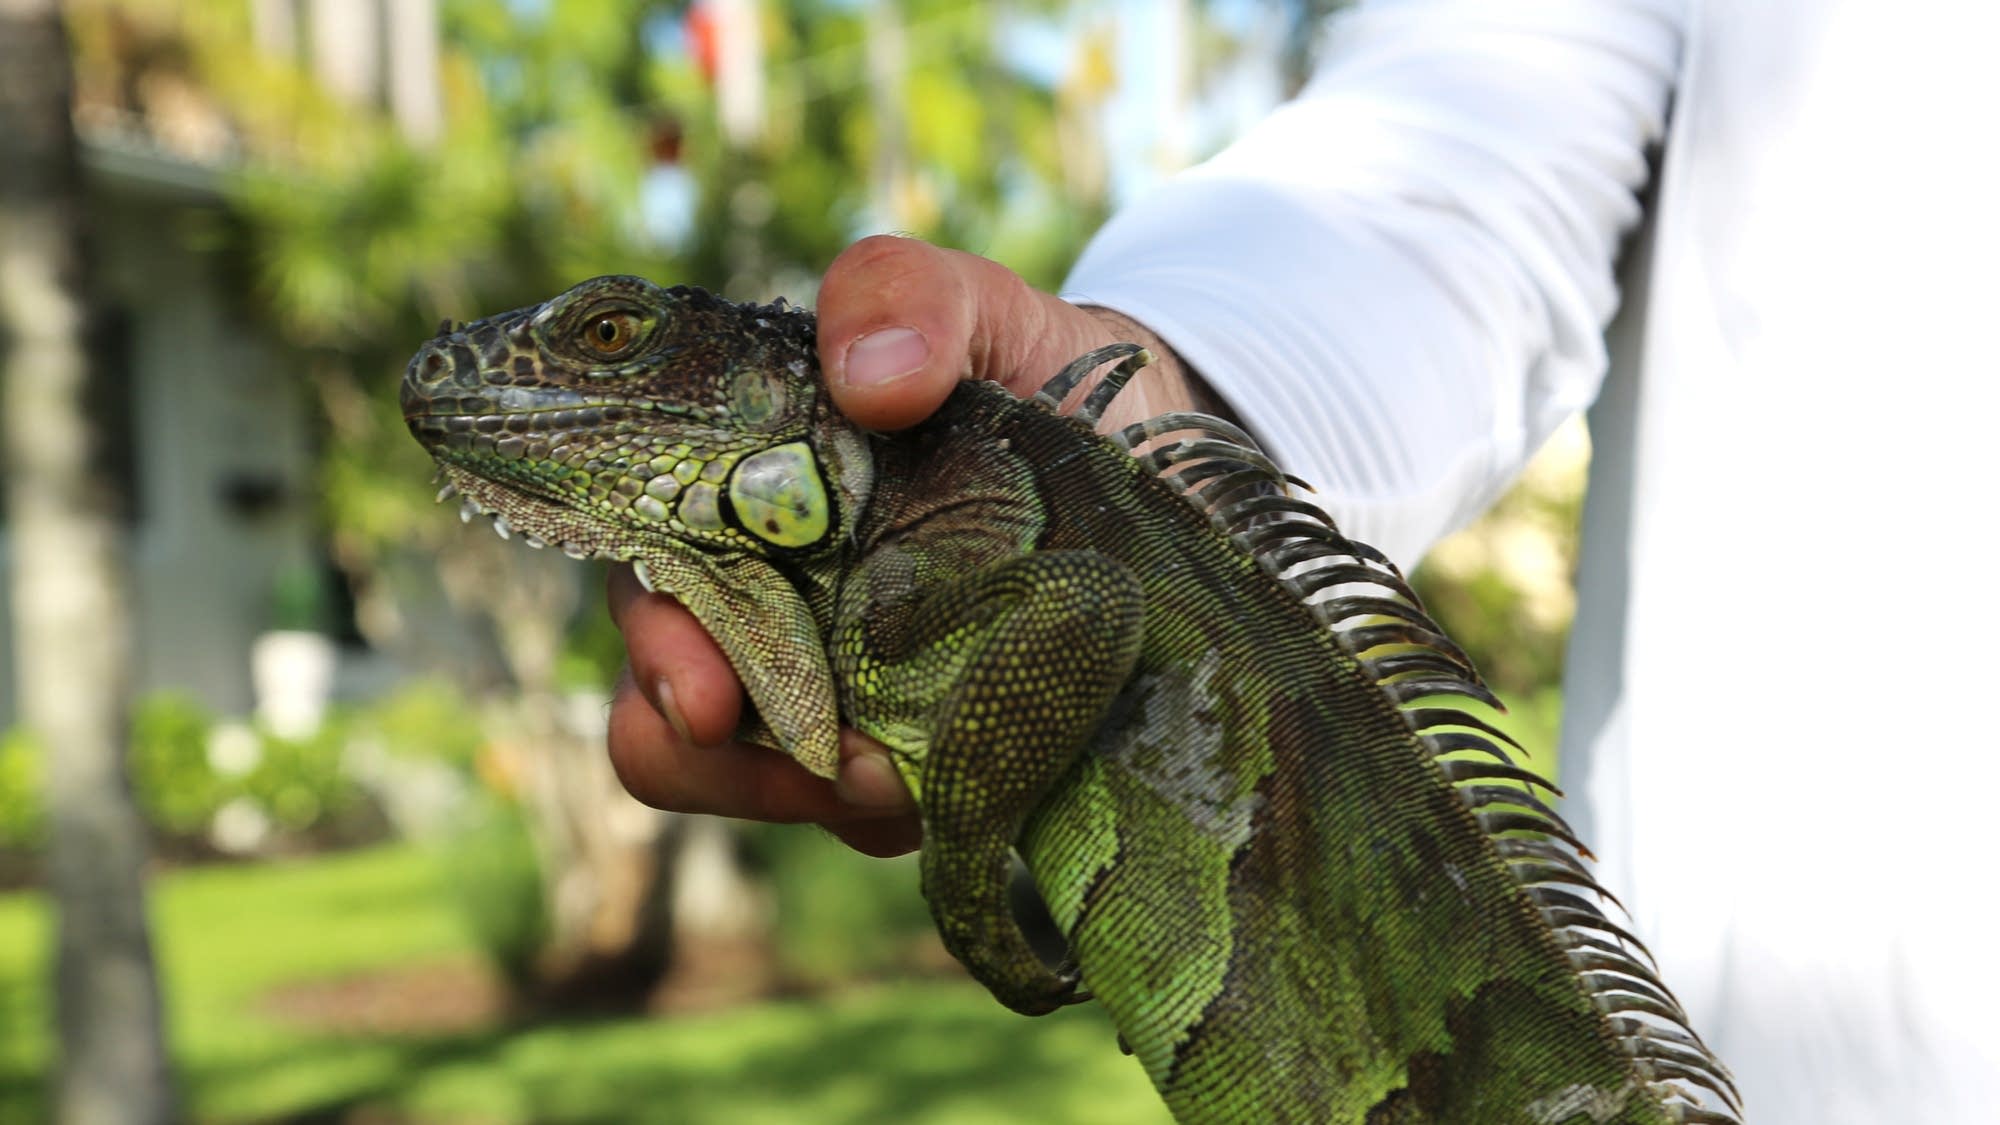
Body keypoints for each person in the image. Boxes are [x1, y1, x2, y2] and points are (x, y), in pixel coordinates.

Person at [606, 2, 2000, 1120]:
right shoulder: (966, 529)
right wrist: (1154, 390)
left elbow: (1084, 605)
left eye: (615, 346)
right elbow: (1464, 141)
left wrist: (971, 841)